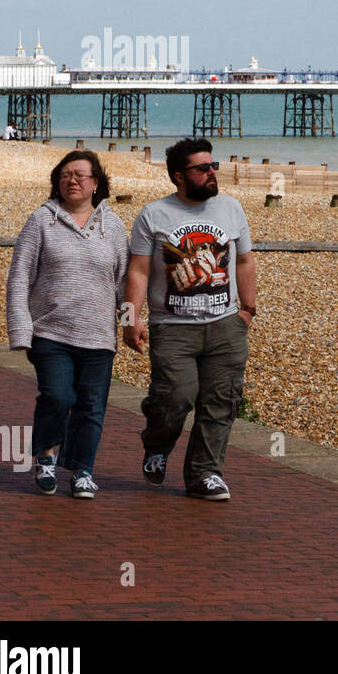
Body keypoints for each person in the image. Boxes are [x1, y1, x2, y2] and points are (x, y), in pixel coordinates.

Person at [123, 137, 256, 501]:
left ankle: (204, 474)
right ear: (179, 177)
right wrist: (129, 318)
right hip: (172, 327)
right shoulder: (153, 215)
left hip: (226, 325)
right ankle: (156, 444)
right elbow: (136, 271)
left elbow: (244, 260)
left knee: (221, 401)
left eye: (214, 166)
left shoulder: (231, 208)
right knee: (175, 397)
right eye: (203, 169)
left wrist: (247, 309)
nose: (212, 173)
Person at [6, 151, 127, 498]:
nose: (71, 180)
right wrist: (20, 330)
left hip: (99, 337)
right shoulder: (41, 220)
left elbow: (124, 283)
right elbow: (19, 278)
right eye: (64, 175)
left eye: (79, 175)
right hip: (50, 333)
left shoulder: (114, 225)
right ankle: (45, 457)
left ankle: (82, 470)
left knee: (91, 406)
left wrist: (130, 323)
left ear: (96, 183)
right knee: (58, 396)